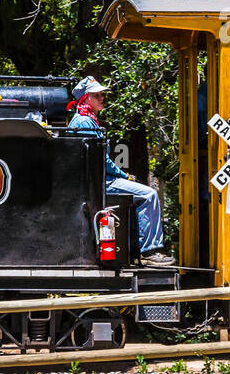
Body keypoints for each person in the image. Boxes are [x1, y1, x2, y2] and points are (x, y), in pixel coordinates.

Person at [68, 76, 174, 267]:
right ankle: (149, 251)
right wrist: (123, 175)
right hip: (101, 182)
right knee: (149, 195)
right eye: (97, 95)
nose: (102, 98)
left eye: (102, 94)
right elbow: (101, 159)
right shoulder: (84, 122)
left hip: (98, 180)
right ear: (85, 98)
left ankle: (136, 248)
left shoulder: (85, 120)